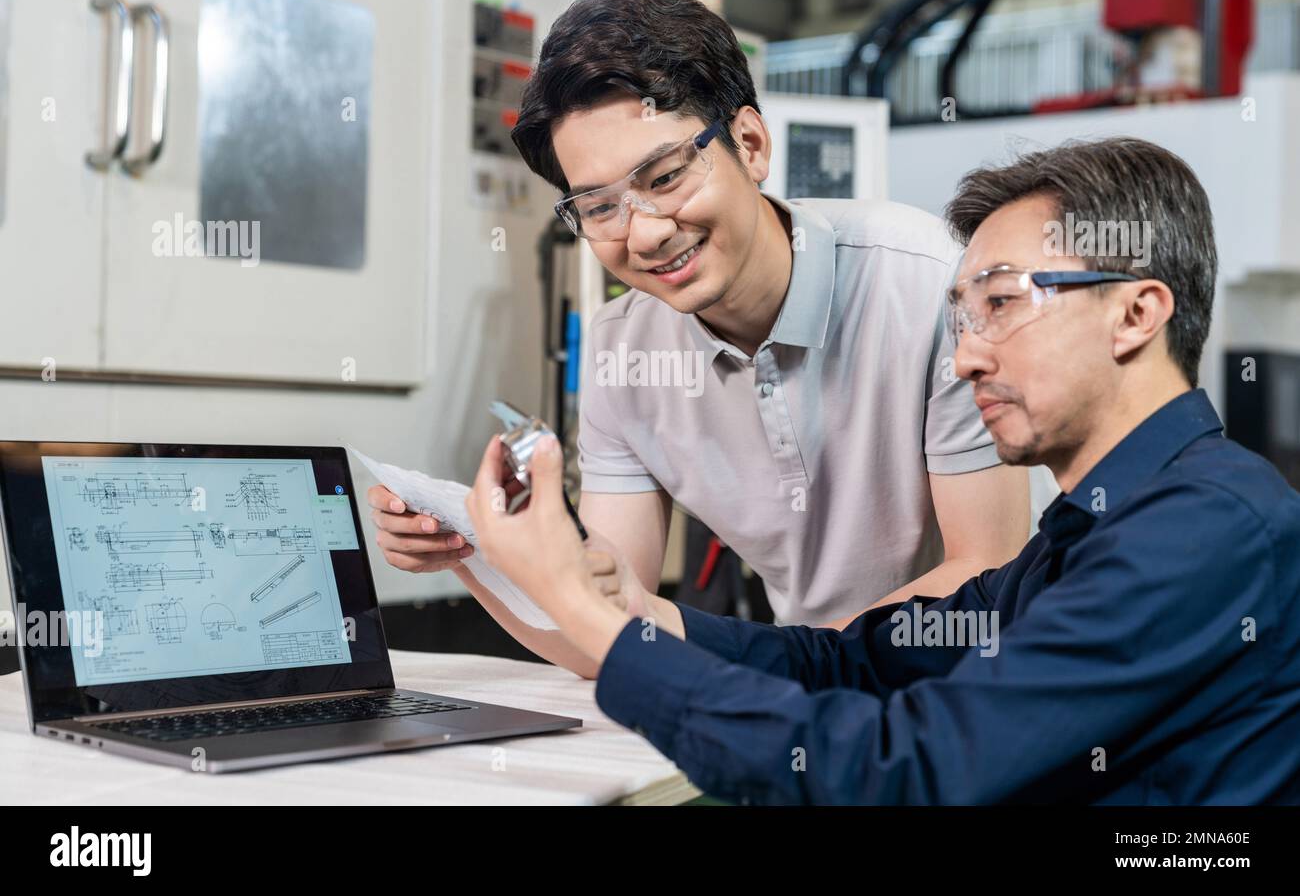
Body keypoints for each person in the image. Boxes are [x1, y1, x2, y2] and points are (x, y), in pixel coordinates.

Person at [463, 137, 1300, 804]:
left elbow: (906, 772)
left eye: (1002, 304)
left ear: (1137, 313)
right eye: (962, 316)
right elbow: (853, 663)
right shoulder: (1082, 536)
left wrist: (589, 615)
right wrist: (618, 605)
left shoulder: (1203, 530)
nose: (967, 354)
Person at [369, 0, 1028, 677]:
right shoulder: (622, 353)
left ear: (750, 143)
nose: (645, 232)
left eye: (665, 175)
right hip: (808, 701)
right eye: (599, 207)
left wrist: (779, 661)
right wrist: (478, 545)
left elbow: (984, 581)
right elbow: (606, 632)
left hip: (984, 690)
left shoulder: (927, 283)